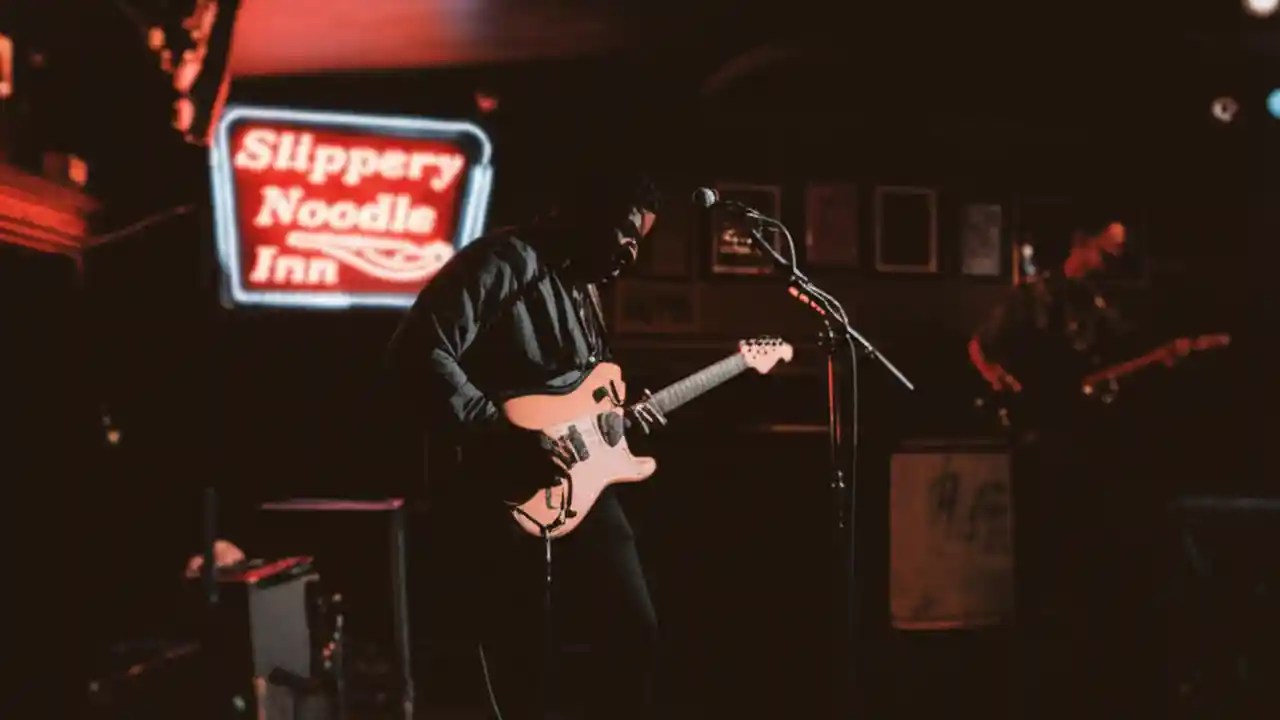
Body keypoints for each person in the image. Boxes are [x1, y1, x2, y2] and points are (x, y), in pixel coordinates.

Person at [384, 169, 663, 720]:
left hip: (578, 482)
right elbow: (416, 351)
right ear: (585, 214)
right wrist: (497, 431)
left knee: (633, 632)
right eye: (626, 235)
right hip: (499, 485)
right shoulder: (503, 262)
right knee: (518, 659)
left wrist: (618, 423)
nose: (631, 254)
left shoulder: (583, 286)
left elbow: (575, 391)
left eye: (640, 244)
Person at [966, 207, 1159, 717]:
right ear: (1082, 242)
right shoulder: (1033, 297)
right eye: (1107, 250)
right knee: (1040, 546)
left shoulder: (1103, 304)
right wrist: (998, 380)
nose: (1114, 262)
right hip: (1039, 435)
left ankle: (1082, 656)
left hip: (1089, 439)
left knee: (1086, 548)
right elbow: (980, 346)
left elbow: (1112, 364)